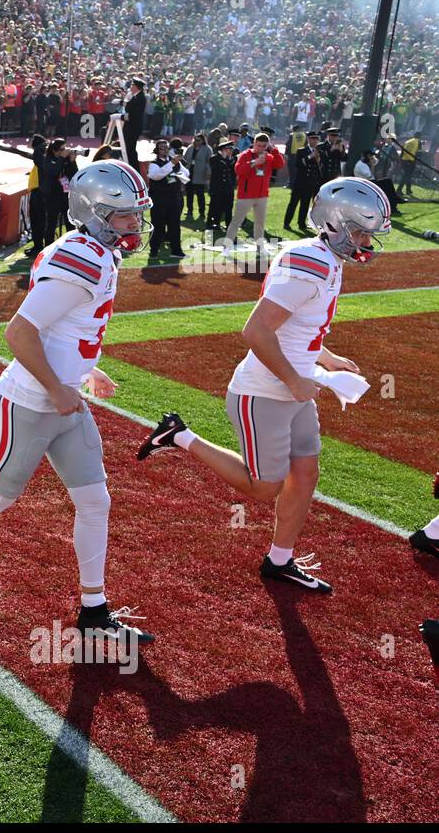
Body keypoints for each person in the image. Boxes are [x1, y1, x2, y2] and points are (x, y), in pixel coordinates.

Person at [0, 161, 156, 646]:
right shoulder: (81, 257)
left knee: (95, 501)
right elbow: (19, 333)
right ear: (97, 213)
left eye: (136, 215)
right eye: (126, 215)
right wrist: (62, 387)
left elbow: (72, 330)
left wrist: (85, 370)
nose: (136, 224)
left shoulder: (98, 252)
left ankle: (94, 608)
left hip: (64, 402)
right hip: (29, 401)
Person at [139, 177, 392, 594]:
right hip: (264, 391)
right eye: (361, 231)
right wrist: (295, 379)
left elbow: (298, 325)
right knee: (265, 487)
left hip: (293, 388)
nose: (366, 241)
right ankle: (179, 435)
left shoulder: (325, 259)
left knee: (306, 472)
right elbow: (256, 330)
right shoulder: (312, 262)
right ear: (334, 223)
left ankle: (280, 559)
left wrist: (325, 358)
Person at [224, 132, 285, 253]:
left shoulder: (269, 156)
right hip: (246, 195)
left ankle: (260, 247)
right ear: (254, 143)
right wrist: (253, 163)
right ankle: (227, 247)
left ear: (267, 145)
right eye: (258, 145)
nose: (261, 148)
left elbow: (280, 164)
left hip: (262, 195)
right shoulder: (245, 155)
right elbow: (238, 170)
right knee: (236, 222)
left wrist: (274, 150)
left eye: (264, 146)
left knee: (260, 223)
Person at [147, 138, 188, 257]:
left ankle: (176, 250)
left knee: (175, 225)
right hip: (159, 198)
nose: (165, 150)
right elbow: (156, 176)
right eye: (162, 148)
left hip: (174, 197)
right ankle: (154, 251)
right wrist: (171, 164)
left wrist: (177, 173)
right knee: (158, 225)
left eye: (166, 148)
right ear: (157, 150)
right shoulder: (154, 163)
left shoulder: (175, 161)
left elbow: (186, 173)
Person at [285, 131, 323, 232]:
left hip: (310, 183)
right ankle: (287, 223)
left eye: (316, 139)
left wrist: (318, 160)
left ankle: (301, 223)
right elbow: (298, 164)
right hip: (300, 182)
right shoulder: (301, 151)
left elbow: (318, 168)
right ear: (308, 139)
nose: (314, 141)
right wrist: (310, 156)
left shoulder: (319, 152)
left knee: (305, 204)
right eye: (312, 139)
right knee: (293, 203)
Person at [206, 139, 237, 234]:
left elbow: (233, 171)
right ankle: (212, 224)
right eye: (229, 148)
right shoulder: (214, 159)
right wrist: (226, 159)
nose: (231, 150)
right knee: (214, 207)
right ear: (224, 149)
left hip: (228, 188)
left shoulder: (232, 159)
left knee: (229, 208)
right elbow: (218, 168)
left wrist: (230, 159)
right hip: (217, 188)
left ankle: (229, 225)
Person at [184, 132, 212, 221]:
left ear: (203, 140)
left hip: (200, 174)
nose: (196, 142)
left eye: (198, 140)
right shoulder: (190, 148)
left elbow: (209, 162)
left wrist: (208, 174)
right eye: (195, 140)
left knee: (200, 195)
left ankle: (202, 212)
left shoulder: (207, 149)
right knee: (189, 194)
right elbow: (185, 160)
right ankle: (189, 211)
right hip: (189, 174)